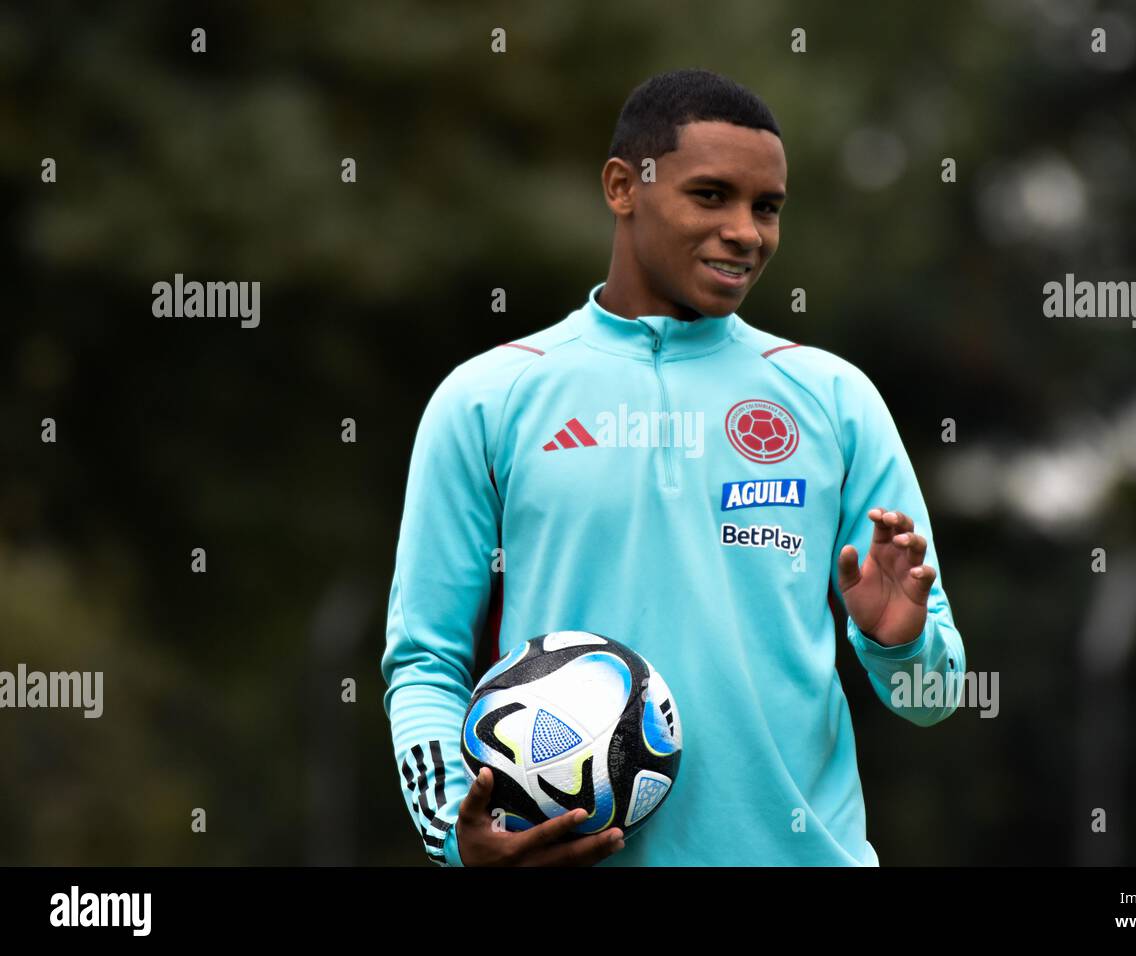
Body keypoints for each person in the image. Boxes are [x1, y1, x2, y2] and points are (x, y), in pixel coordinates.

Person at [382, 67, 966, 867]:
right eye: (712, 196)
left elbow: (933, 699)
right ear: (623, 187)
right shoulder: (487, 399)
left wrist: (899, 647)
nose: (746, 232)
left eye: (767, 208)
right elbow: (423, 661)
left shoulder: (834, 399)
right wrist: (457, 834)